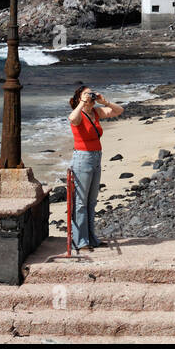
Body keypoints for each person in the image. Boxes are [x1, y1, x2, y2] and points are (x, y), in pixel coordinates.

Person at [67, 85, 126, 252]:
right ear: (79, 98)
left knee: (91, 202)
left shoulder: (96, 113)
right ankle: (80, 241)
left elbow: (119, 111)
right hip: (82, 159)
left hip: (96, 157)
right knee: (80, 202)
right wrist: (82, 103)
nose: (90, 96)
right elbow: (72, 119)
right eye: (86, 94)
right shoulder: (79, 115)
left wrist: (103, 101)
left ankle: (92, 239)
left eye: (91, 94)